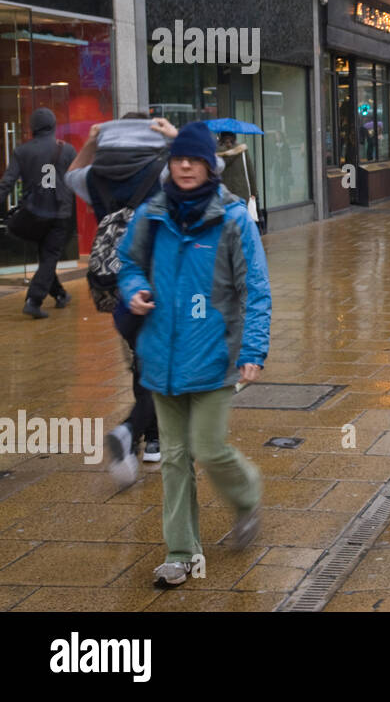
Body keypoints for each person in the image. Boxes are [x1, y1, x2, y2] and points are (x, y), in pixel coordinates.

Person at [117, 121, 270, 586]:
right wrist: (136, 289)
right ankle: (180, 552)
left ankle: (247, 496)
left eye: (195, 159)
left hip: (214, 355)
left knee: (208, 446)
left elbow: (256, 290)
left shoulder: (232, 219)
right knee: (174, 457)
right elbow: (127, 264)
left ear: (210, 165)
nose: (185, 166)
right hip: (161, 355)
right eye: (179, 158)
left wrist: (254, 348)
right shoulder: (151, 214)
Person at [66, 113, 174, 484]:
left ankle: (148, 436)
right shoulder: (162, 172)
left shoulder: (96, 178)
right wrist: (173, 137)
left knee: (140, 358)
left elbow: (69, 176)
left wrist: (93, 143)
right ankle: (136, 434)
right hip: (159, 275)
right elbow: (213, 169)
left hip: (114, 279)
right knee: (159, 361)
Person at [0, 108, 77, 319]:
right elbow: (78, 179)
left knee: (46, 256)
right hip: (60, 213)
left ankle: (60, 294)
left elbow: (7, 183)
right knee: (50, 257)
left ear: (32, 128)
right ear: (54, 126)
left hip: (32, 214)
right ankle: (34, 300)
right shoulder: (68, 150)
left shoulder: (22, 152)